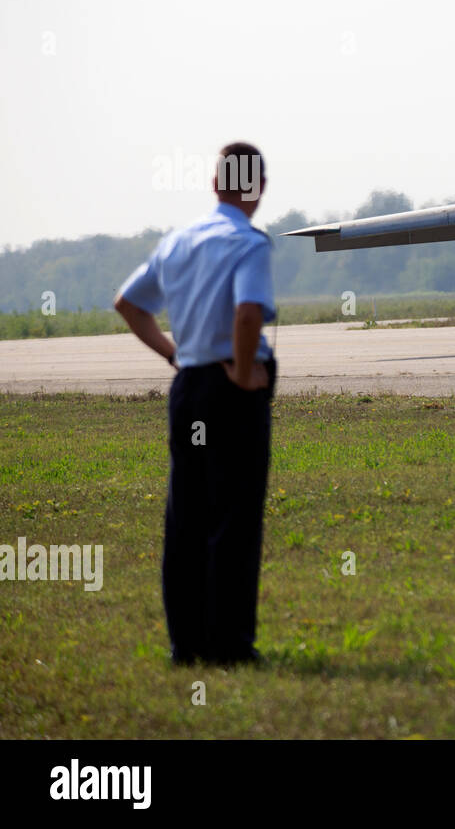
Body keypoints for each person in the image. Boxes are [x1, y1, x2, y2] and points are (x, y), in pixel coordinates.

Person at [114, 142, 277, 667]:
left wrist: (174, 356)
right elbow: (249, 310)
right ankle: (230, 645)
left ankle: (186, 644)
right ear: (259, 188)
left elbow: (129, 303)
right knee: (235, 513)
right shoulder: (248, 242)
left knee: (186, 512)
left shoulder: (178, 241)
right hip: (232, 388)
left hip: (189, 387)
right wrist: (243, 368)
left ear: (214, 184)